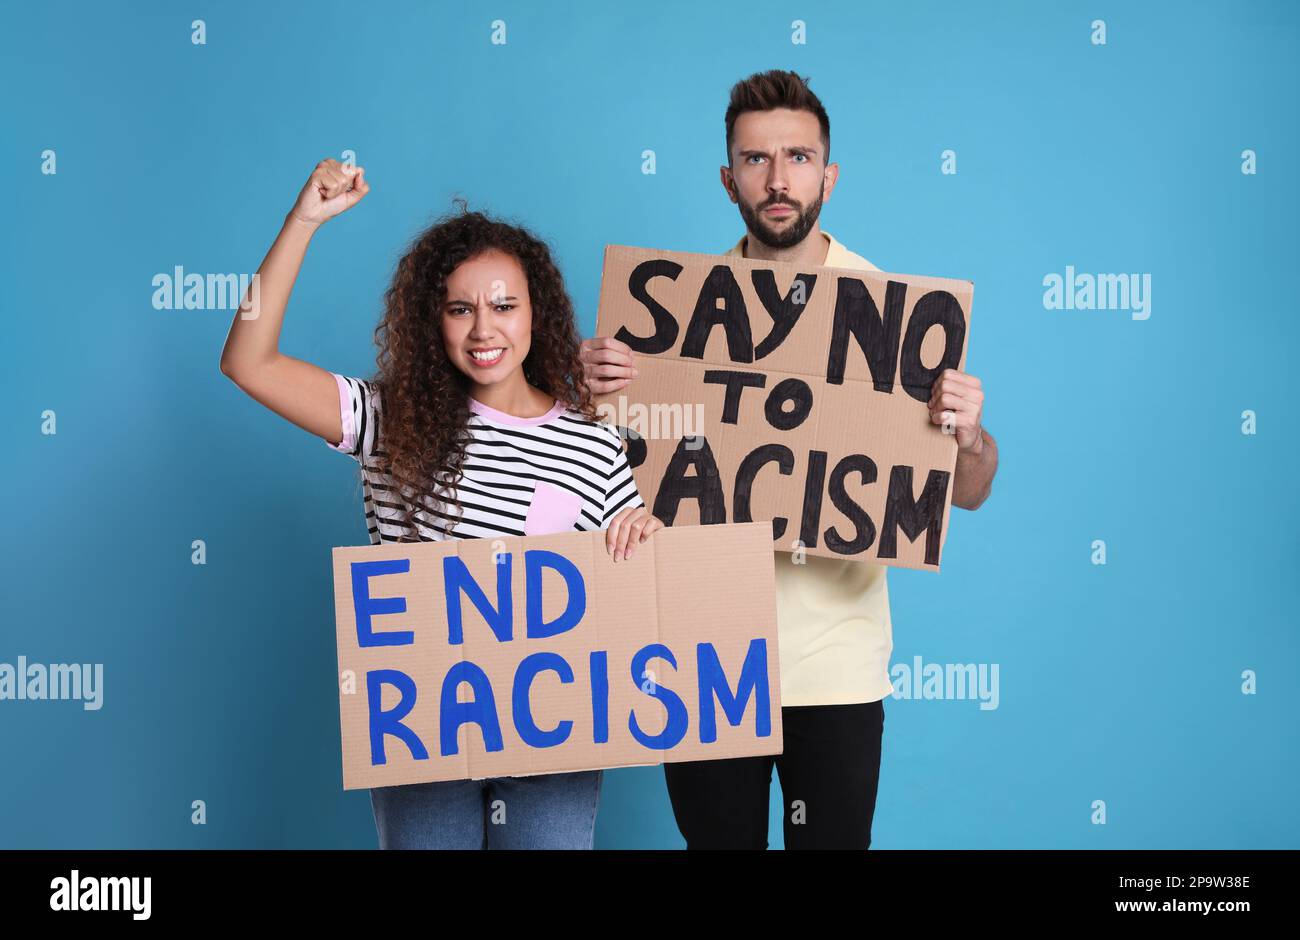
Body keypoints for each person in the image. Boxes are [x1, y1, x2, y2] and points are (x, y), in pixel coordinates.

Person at [580, 70, 1000, 849]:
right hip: (705, 659)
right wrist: (589, 396)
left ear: (828, 176)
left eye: (799, 158)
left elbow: (966, 493)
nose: (778, 180)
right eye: (756, 160)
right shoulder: (665, 320)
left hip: (836, 671)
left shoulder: (893, 315)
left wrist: (968, 437)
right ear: (727, 178)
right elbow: (598, 485)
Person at [219, 159, 663, 849]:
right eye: (461, 308)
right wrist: (302, 222)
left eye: (504, 306)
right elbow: (248, 361)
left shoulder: (595, 444)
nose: (484, 329)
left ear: (535, 312)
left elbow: (630, 597)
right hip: (423, 727)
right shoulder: (390, 419)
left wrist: (644, 535)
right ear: (434, 320)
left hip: (554, 740)